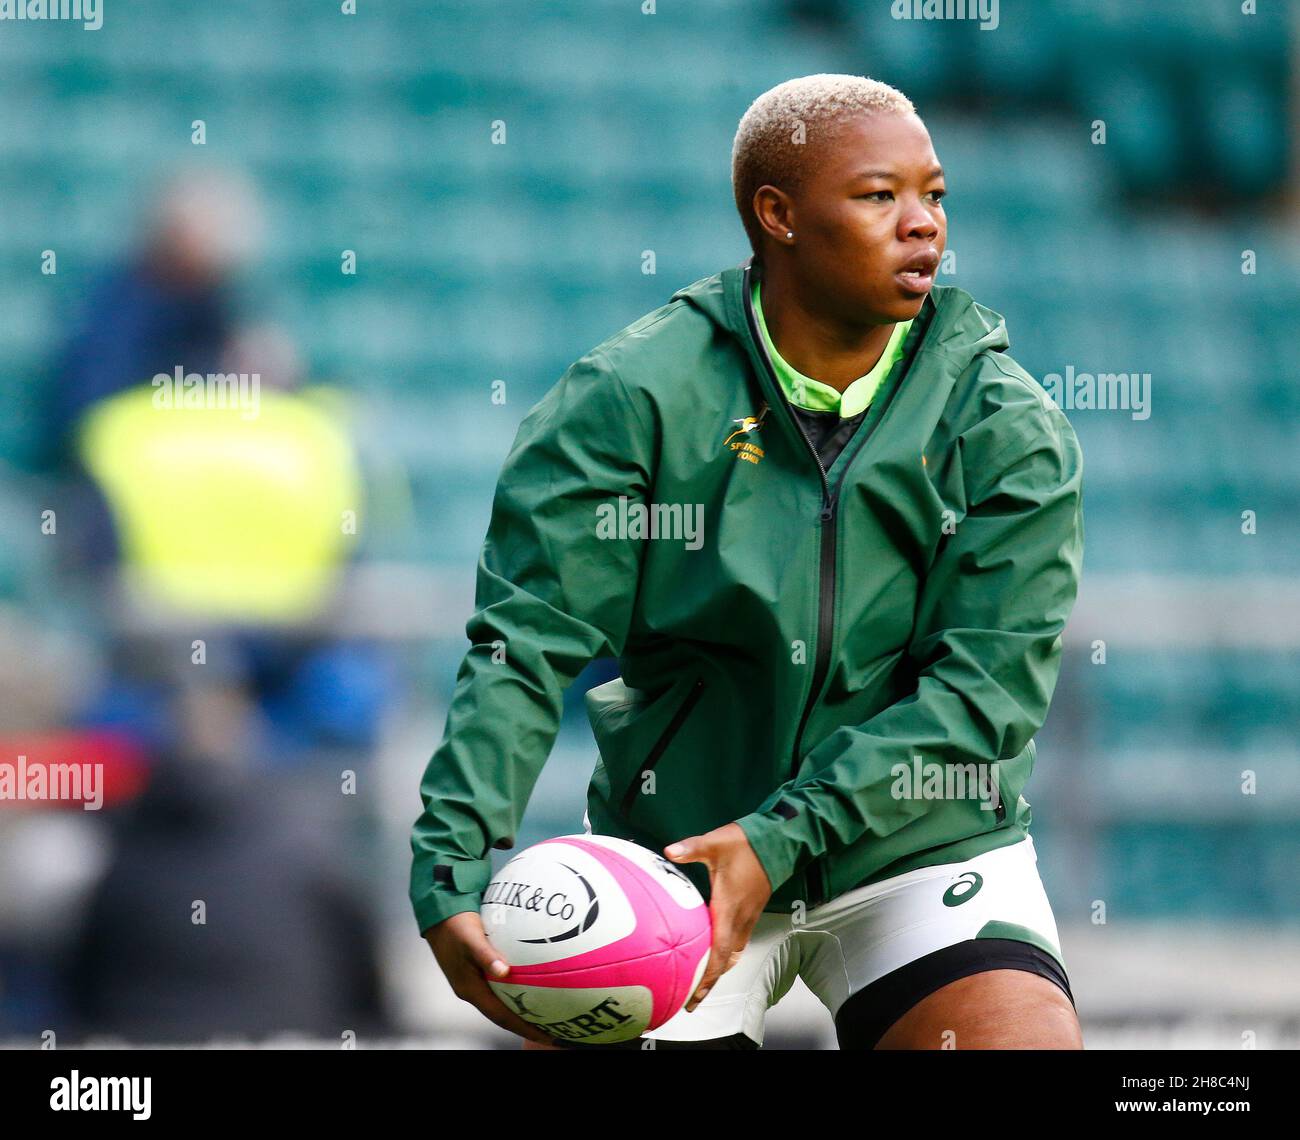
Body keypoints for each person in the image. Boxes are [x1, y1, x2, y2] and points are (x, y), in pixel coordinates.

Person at [410, 74, 1085, 1050]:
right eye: (876, 195)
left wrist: (781, 836)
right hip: (673, 861)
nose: (922, 226)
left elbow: (983, 698)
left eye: (932, 195)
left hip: (917, 849)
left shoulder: (1004, 425)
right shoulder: (627, 399)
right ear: (777, 215)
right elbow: (525, 646)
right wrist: (451, 867)